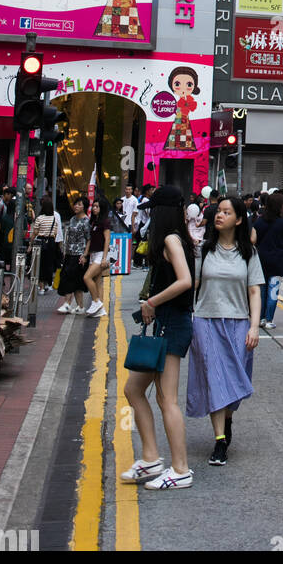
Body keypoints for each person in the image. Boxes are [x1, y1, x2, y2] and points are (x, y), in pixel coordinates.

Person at [121, 186, 195, 491]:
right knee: (133, 390)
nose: (148, 212)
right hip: (167, 324)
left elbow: (186, 281)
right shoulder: (179, 239)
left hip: (172, 326)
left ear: (163, 211)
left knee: (167, 399)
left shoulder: (170, 239)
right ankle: (151, 458)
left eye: (153, 208)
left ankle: (181, 469)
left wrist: (152, 302)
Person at [187, 196, 263, 465]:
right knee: (214, 378)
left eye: (226, 212)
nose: (219, 215)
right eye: (218, 211)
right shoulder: (205, 250)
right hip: (206, 321)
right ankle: (220, 441)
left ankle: (227, 420)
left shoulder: (248, 254)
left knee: (233, 380)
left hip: (238, 322)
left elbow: (254, 291)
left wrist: (254, 327)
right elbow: (192, 284)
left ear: (239, 219)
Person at [254, 191, 283, 329]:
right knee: (273, 291)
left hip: (261, 260)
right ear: (279, 207)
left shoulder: (259, 222)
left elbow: (252, 240)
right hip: (277, 260)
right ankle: (269, 319)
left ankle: (261, 318)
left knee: (262, 291)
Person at [57, 196, 90, 313]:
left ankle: (67, 303)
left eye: (79, 204)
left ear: (84, 207)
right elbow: (68, 236)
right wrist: (65, 252)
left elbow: (89, 239)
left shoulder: (86, 221)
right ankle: (80, 307)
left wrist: (85, 255)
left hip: (79, 255)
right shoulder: (72, 219)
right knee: (74, 281)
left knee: (70, 278)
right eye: (76, 204)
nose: (76, 206)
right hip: (69, 254)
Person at [83, 196, 112, 317]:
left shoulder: (105, 222)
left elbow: (107, 240)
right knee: (97, 281)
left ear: (102, 208)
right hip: (94, 254)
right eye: (93, 206)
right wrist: (86, 254)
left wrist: (104, 258)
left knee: (87, 277)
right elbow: (91, 240)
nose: (94, 208)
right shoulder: (94, 221)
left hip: (101, 254)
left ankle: (96, 302)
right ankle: (100, 309)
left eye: (97, 206)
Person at [30, 196, 61, 293]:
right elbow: (55, 233)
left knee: (40, 264)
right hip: (51, 242)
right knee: (49, 264)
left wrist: (31, 244)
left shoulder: (40, 218)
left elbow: (35, 232)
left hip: (40, 242)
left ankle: (41, 287)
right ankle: (48, 284)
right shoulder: (54, 218)